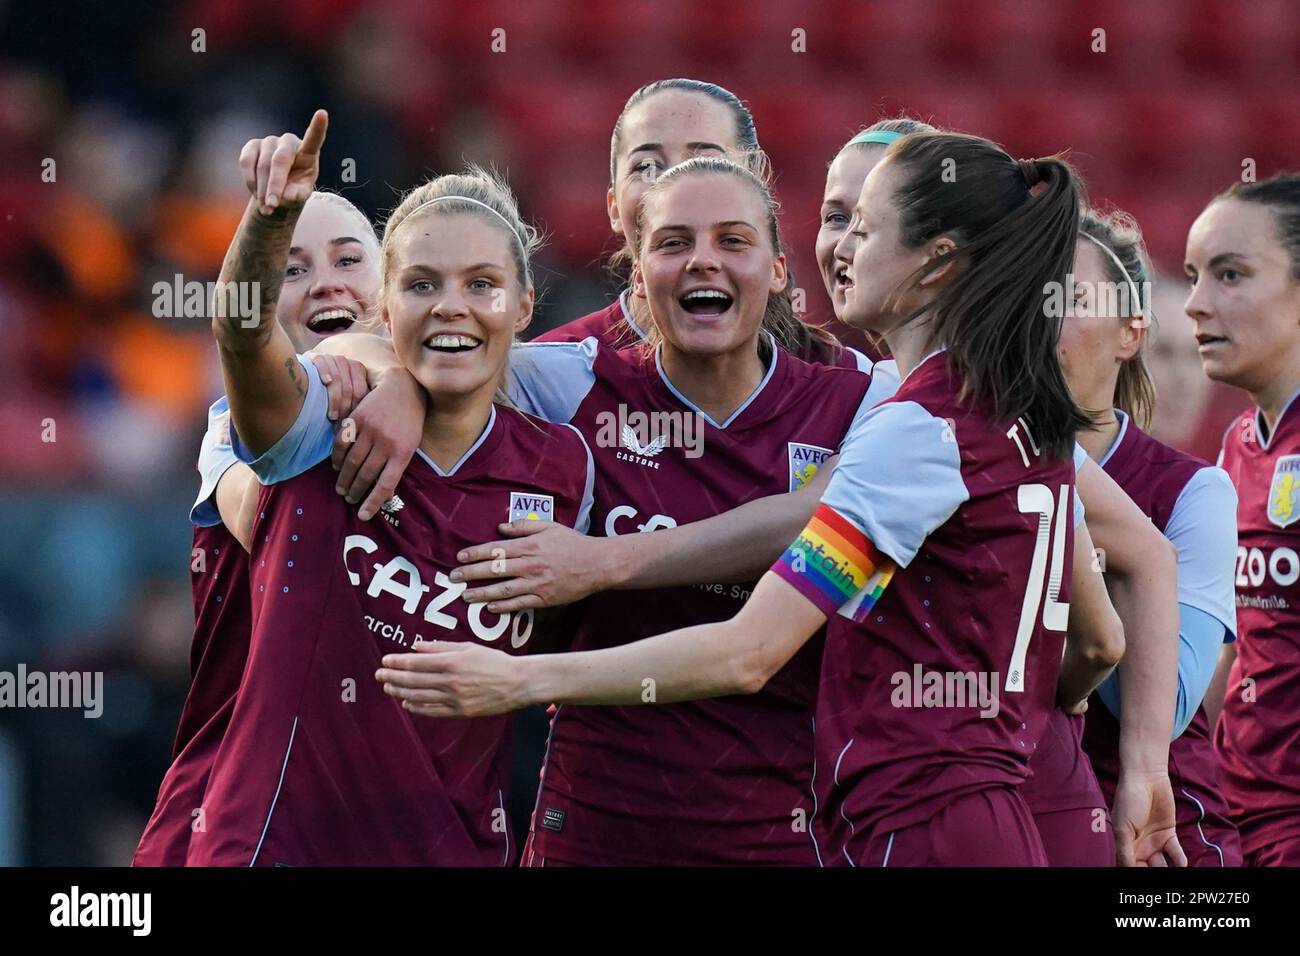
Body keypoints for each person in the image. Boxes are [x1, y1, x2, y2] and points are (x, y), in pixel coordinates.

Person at [379, 133, 1183, 866]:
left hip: (917, 820)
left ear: (935, 263)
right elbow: (1098, 641)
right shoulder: (1017, 411)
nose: (840, 250)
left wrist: (519, 679)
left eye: (862, 228)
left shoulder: (907, 427)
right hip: (981, 812)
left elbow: (748, 652)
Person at [183, 110, 594, 866]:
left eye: (482, 284)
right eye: (423, 284)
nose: (451, 304)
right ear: (391, 303)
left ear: (526, 305)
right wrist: (268, 221)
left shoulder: (566, 464)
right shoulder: (306, 426)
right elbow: (242, 336)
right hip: (261, 833)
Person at [134, 133, 389, 865]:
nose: (328, 283)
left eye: (349, 259)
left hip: (407, 814)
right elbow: (273, 512)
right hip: (243, 816)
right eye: (292, 268)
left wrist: (395, 378)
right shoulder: (232, 429)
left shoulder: (466, 429)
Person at [1022, 208, 1240, 866]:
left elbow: (1170, 701)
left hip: (1161, 844)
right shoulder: (969, 456)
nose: (1040, 316)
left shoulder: (1192, 491)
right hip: (1019, 822)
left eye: (1068, 296)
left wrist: (1076, 527)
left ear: (1130, 333)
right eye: (1027, 293)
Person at [538, 77, 857, 367]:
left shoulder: (846, 383)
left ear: (758, 187)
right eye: (647, 166)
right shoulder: (545, 380)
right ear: (613, 207)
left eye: (704, 161)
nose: (677, 183)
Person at [1186, 173, 1300, 866]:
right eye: (1195, 276)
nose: (1197, 304)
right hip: (1233, 816)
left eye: (1231, 275)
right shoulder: (1238, 444)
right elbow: (1234, 642)